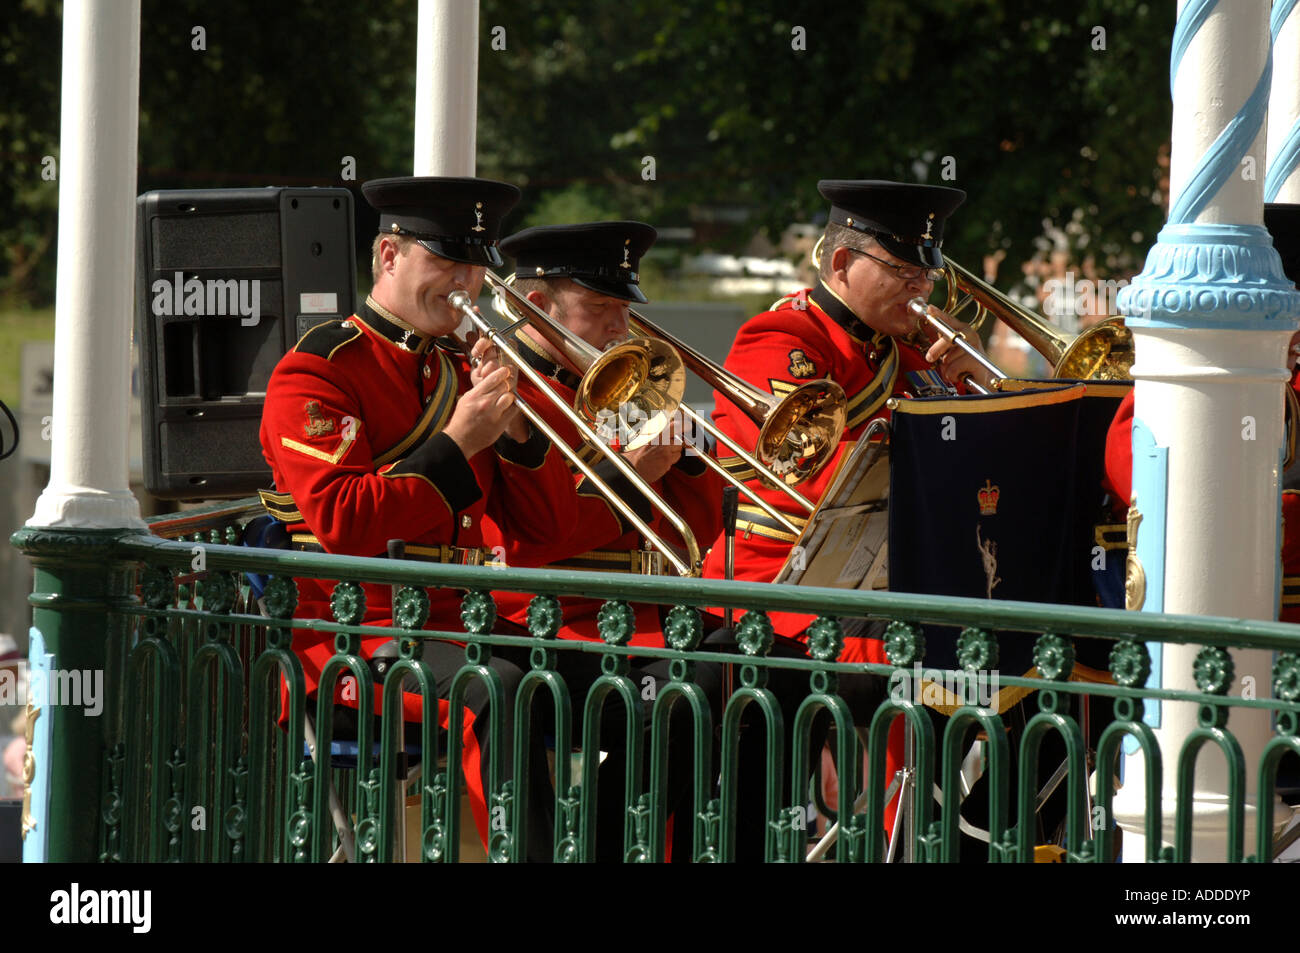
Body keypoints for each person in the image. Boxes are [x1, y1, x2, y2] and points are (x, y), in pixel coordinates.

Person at [258, 175, 580, 860]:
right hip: (356, 634)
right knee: (501, 689)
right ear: (389, 257)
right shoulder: (317, 371)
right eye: (445, 260)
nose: (465, 281)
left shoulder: (462, 368)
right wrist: (460, 440)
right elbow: (345, 521)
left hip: (460, 623)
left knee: (669, 678)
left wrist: (521, 437)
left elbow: (544, 535)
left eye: (474, 264)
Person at [698, 179, 983, 858]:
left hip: (877, 594)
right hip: (784, 598)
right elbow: (824, 487)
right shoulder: (779, 338)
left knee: (1009, 661)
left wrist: (975, 388)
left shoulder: (905, 352)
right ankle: (909, 837)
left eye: (927, 272)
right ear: (839, 264)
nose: (922, 288)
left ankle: (932, 837)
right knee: (960, 665)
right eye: (903, 271)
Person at [480, 221, 724, 861]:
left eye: (623, 309)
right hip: (542, 621)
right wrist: (633, 473)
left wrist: (691, 458)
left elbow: (697, 532)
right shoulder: (508, 392)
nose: (621, 329)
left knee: (741, 666)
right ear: (537, 307)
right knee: (677, 695)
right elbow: (540, 536)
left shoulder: (622, 386)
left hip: (633, 615)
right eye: (600, 309)